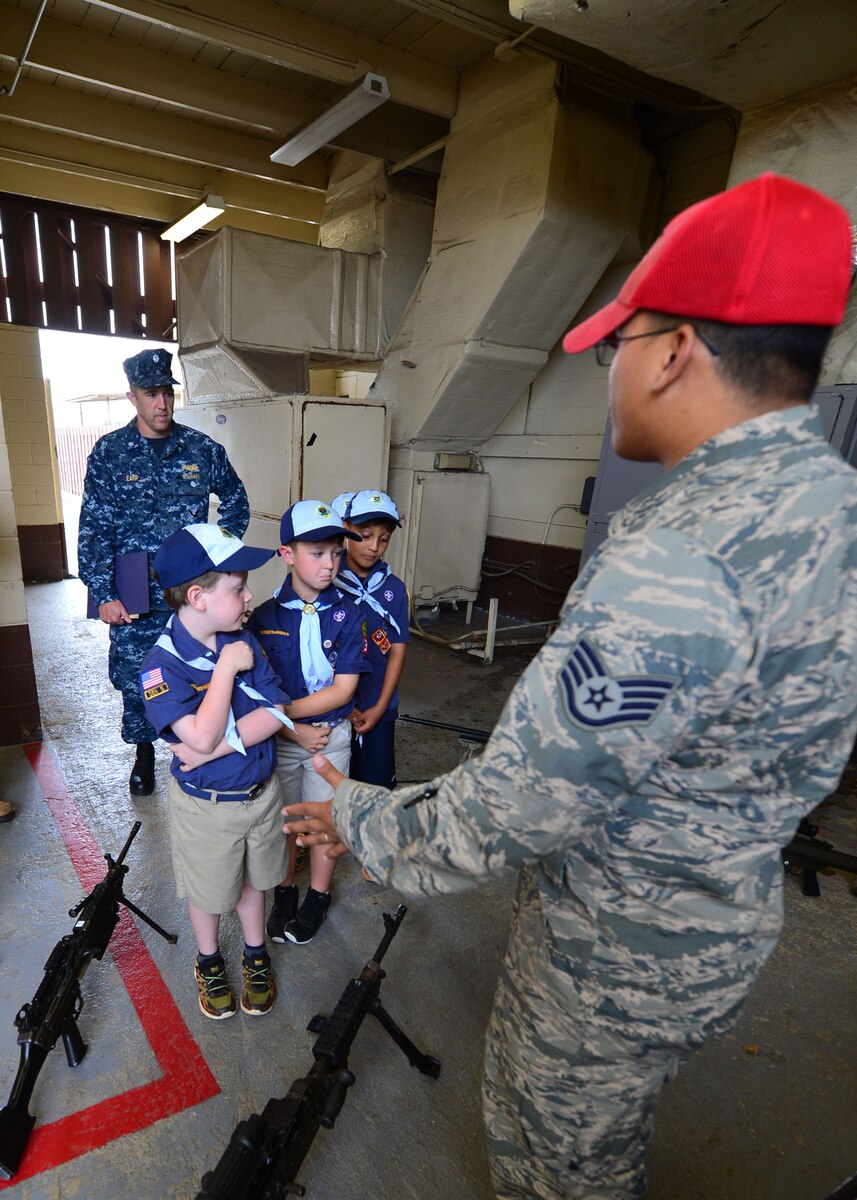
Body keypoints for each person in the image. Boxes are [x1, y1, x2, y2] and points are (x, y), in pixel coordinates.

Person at [282, 174, 857, 1199]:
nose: (606, 372)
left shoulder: (677, 555)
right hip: (720, 923)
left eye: (617, 345)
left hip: (610, 961)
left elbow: (513, 807)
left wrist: (352, 814)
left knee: (560, 1166)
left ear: (676, 349)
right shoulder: (836, 510)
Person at [77, 348, 249, 797]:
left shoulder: (201, 448)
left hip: (189, 593)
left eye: (167, 393)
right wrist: (102, 592)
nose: (162, 404)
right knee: (138, 680)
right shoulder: (110, 453)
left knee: (197, 670)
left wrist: (215, 557)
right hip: (132, 595)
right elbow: (94, 528)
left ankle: (192, 746)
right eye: (151, 394)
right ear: (131, 396)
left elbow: (236, 500)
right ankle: (143, 753)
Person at [140, 523, 293, 1020]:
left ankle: (254, 954)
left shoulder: (241, 636)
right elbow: (197, 736)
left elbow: (276, 712)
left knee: (254, 883)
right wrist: (226, 670)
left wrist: (211, 751)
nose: (251, 596)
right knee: (209, 891)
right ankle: (208, 961)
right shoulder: (162, 666)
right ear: (198, 596)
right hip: (207, 809)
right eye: (239, 587)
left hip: (260, 795)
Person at [245, 500, 368, 946]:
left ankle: (317, 895)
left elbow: (343, 690)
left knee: (321, 821)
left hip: (331, 738)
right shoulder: (263, 618)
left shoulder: (350, 613)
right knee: (284, 821)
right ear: (287, 554)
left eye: (336, 552)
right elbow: (254, 693)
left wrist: (288, 716)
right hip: (280, 739)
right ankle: (284, 892)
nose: (330, 563)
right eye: (317, 552)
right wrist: (289, 727)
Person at [334, 489, 409, 789]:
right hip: (335, 708)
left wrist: (379, 707)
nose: (374, 547)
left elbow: (398, 651)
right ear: (345, 532)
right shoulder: (328, 583)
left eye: (384, 538)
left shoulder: (394, 588)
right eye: (364, 535)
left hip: (380, 705)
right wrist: (341, 703)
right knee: (333, 788)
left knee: (374, 790)